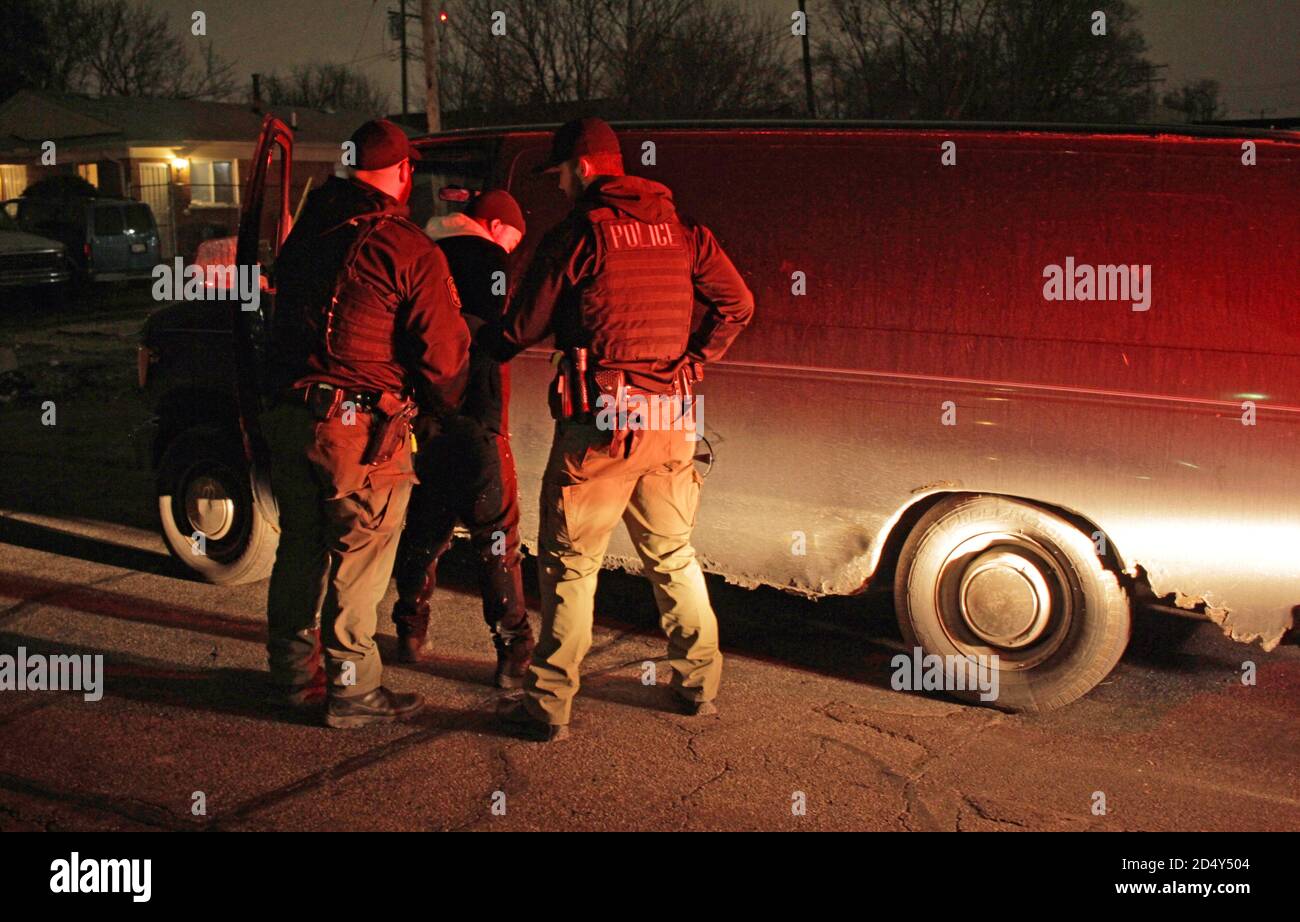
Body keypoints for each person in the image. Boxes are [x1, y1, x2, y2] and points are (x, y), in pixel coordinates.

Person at [481, 117, 754, 741]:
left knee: (573, 566)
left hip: (601, 427)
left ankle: (548, 706)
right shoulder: (684, 233)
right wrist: (694, 358)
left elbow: (522, 328)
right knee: (674, 556)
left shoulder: (581, 234)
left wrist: (475, 344)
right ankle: (698, 687)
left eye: (560, 176)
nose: (560, 188)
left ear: (581, 168)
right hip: (672, 422)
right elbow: (740, 304)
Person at [263, 118, 470, 729]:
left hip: (291, 421)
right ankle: (351, 693)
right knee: (358, 563)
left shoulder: (306, 232)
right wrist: (440, 415)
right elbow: (444, 359)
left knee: (299, 551)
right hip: (357, 437)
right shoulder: (407, 247)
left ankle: (292, 679)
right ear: (404, 172)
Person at [389, 191, 535, 688]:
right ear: (492, 225)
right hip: (479, 419)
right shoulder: (487, 259)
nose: (510, 252)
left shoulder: (419, 252)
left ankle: (409, 628)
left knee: (425, 527)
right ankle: (513, 652)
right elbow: (497, 340)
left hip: (427, 419)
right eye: (510, 240)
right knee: (497, 535)